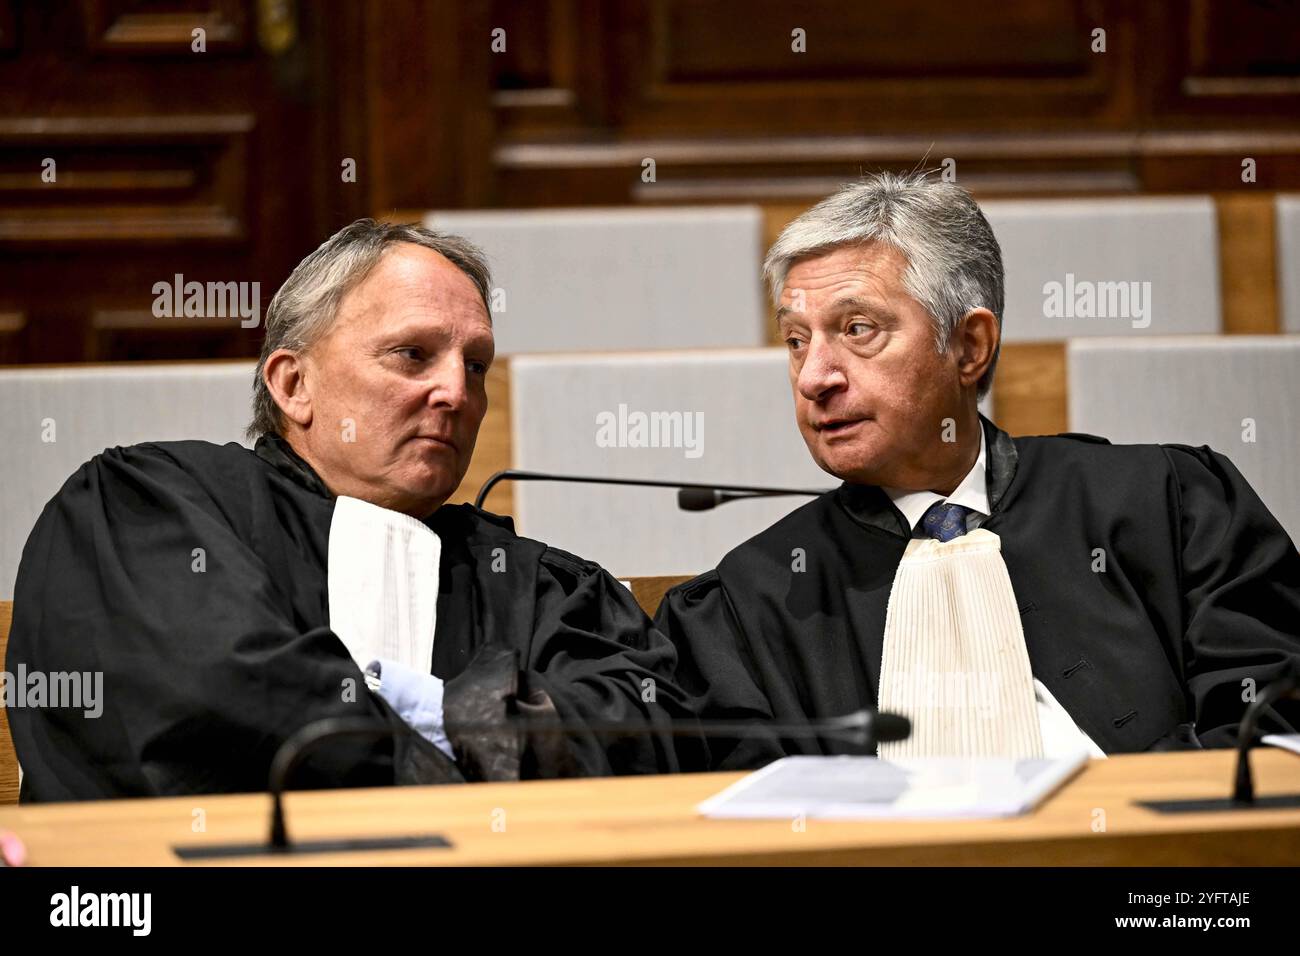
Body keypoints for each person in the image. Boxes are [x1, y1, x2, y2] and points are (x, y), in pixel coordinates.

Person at [7, 219, 697, 801]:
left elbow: (651, 734)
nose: (456, 392)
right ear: (293, 383)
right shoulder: (152, 506)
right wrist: (479, 721)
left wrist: (420, 719)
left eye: (477, 365)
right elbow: (212, 710)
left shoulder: (540, 584)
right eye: (413, 354)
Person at [655, 172, 1300, 770]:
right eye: (797, 341)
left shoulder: (1170, 508)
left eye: (858, 329)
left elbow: (1266, 743)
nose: (815, 377)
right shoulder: (747, 604)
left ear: (969, 346)